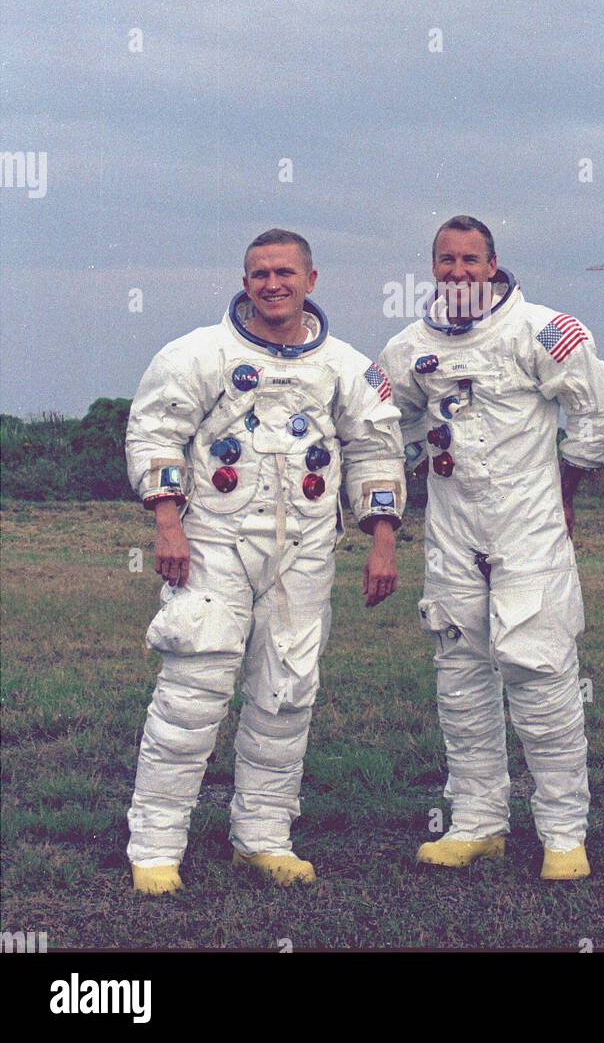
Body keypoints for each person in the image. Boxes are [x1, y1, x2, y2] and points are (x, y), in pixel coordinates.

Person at [125, 229, 404, 893]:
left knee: (286, 694)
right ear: (244, 281)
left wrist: (384, 539)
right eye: (259, 274)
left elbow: (376, 451)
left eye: (284, 272)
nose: (272, 284)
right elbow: (156, 430)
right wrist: (167, 522)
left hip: (304, 551)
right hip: (213, 545)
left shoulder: (348, 367)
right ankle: (156, 847)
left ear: (312, 279)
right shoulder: (197, 353)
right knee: (192, 695)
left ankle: (263, 837)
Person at [379, 216, 604, 880]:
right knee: (460, 680)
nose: (457, 272)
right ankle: (477, 821)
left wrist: (567, 485)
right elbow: (380, 427)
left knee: (540, 676)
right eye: (445, 261)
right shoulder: (408, 348)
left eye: (469, 260)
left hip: (529, 527)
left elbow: (598, 414)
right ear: (433, 266)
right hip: (453, 530)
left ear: (492, 264)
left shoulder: (543, 330)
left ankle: (563, 833)